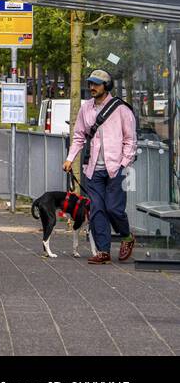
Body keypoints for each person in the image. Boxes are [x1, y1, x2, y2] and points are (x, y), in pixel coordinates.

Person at [63, 70, 138, 264]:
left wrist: (124, 163)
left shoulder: (121, 109)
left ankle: (127, 236)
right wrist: (70, 158)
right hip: (93, 168)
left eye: (96, 84)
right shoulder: (85, 108)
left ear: (107, 86)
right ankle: (103, 251)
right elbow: (79, 136)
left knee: (114, 209)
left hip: (116, 168)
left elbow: (130, 140)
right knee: (97, 209)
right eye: (90, 83)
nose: (92, 87)